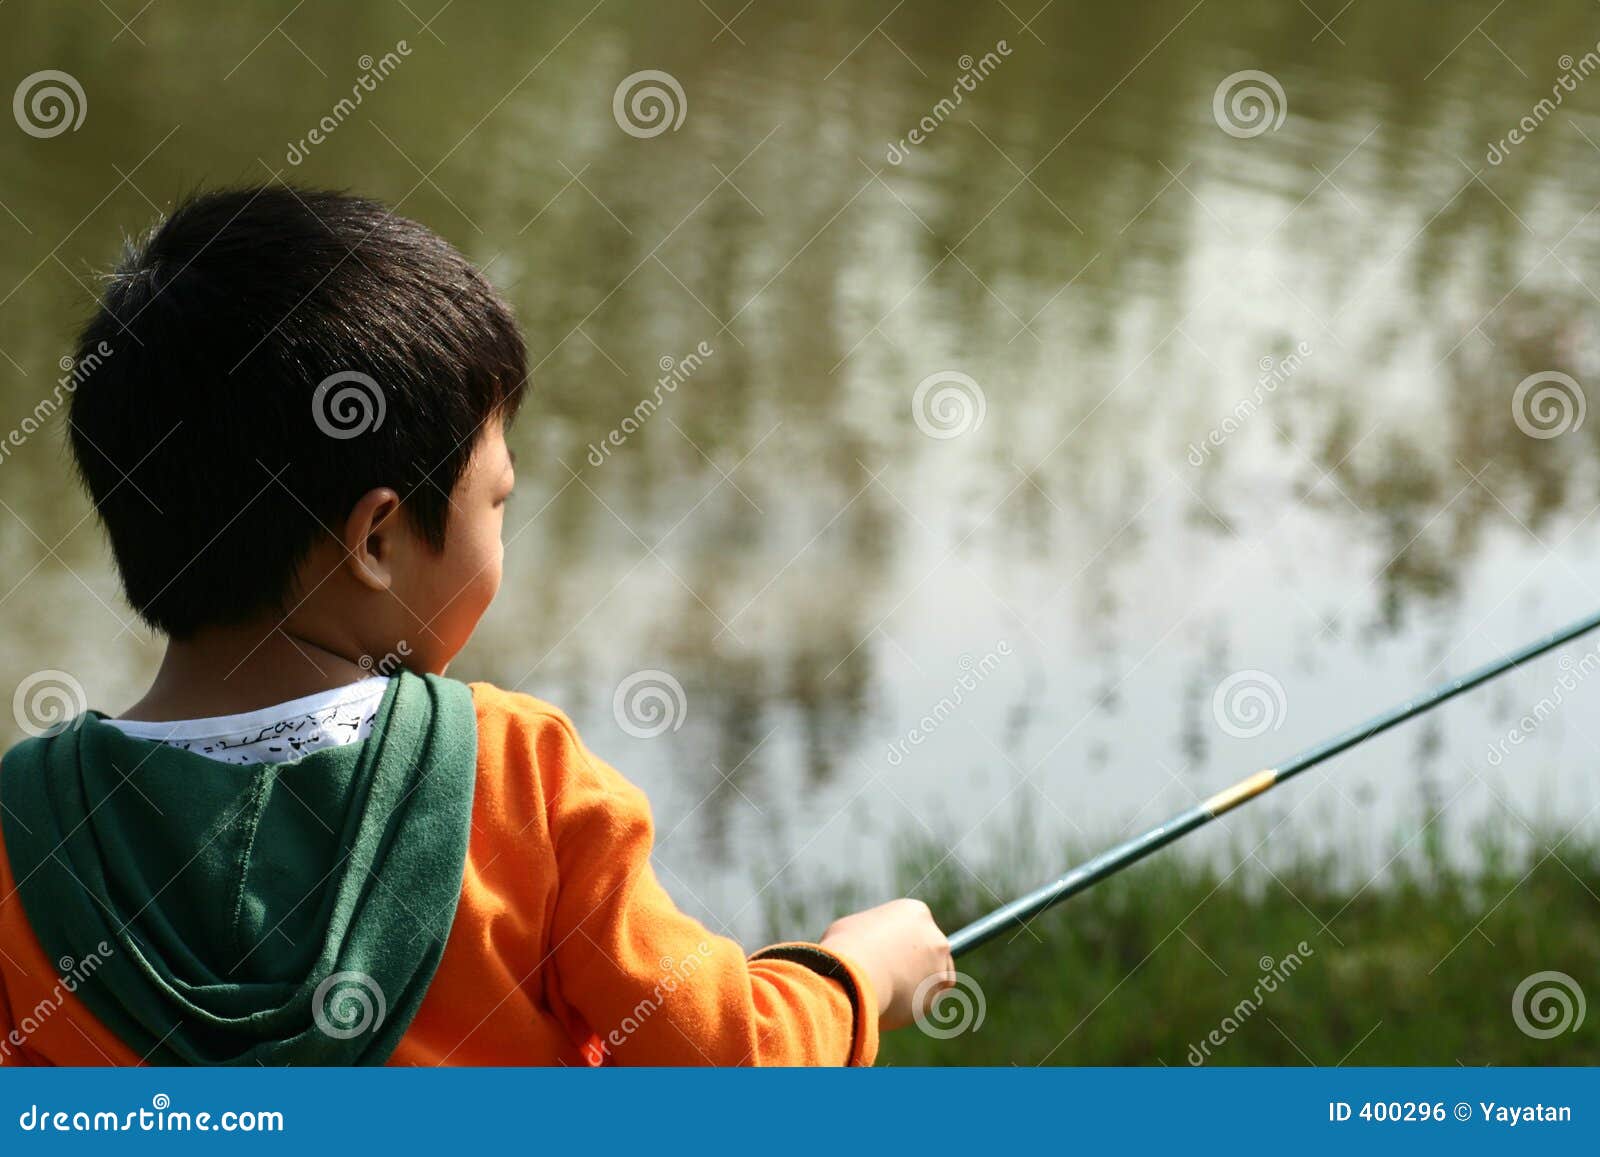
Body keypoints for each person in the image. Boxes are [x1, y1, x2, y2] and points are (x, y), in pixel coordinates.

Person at [0, 187, 953, 1066]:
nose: (505, 532)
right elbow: (722, 1061)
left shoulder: (21, 833)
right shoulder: (519, 780)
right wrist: (854, 975)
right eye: (496, 501)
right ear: (377, 537)